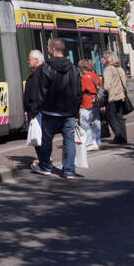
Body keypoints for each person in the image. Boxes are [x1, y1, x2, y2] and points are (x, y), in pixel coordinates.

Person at [36, 37, 82, 179]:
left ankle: (46, 166)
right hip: (68, 112)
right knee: (69, 140)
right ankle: (69, 170)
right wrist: (75, 111)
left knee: (46, 140)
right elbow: (78, 92)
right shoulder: (74, 69)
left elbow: (42, 91)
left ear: (52, 49)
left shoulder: (46, 68)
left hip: (50, 111)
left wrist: (38, 107)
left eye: (49, 48)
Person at [23, 50, 48, 174]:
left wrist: (33, 110)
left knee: (39, 138)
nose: (28, 62)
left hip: (38, 110)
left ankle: (44, 164)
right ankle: (45, 161)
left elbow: (36, 94)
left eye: (30, 59)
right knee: (40, 137)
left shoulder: (39, 73)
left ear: (37, 60)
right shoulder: (40, 71)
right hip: (38, 110)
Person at [101, 51, 130, 144]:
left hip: (112, 97)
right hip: (121, 96)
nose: (102, 60)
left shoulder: (108, 69)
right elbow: (125, 82)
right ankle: (123, 137)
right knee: (119, 117)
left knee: (111, 117)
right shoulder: (120, 68)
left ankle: (119, 137)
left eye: (104, 58)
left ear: (108, 59)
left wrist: (103, 94)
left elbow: (107, 85)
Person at [78, 59, 103, 152]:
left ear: (83, 68)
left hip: (87, 101)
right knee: (96, 122)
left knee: (84, 122)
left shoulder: (84, 77)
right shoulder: (96, 76)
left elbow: (81, 90)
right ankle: (97, 141)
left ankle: (90, 142)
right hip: (96, 101)